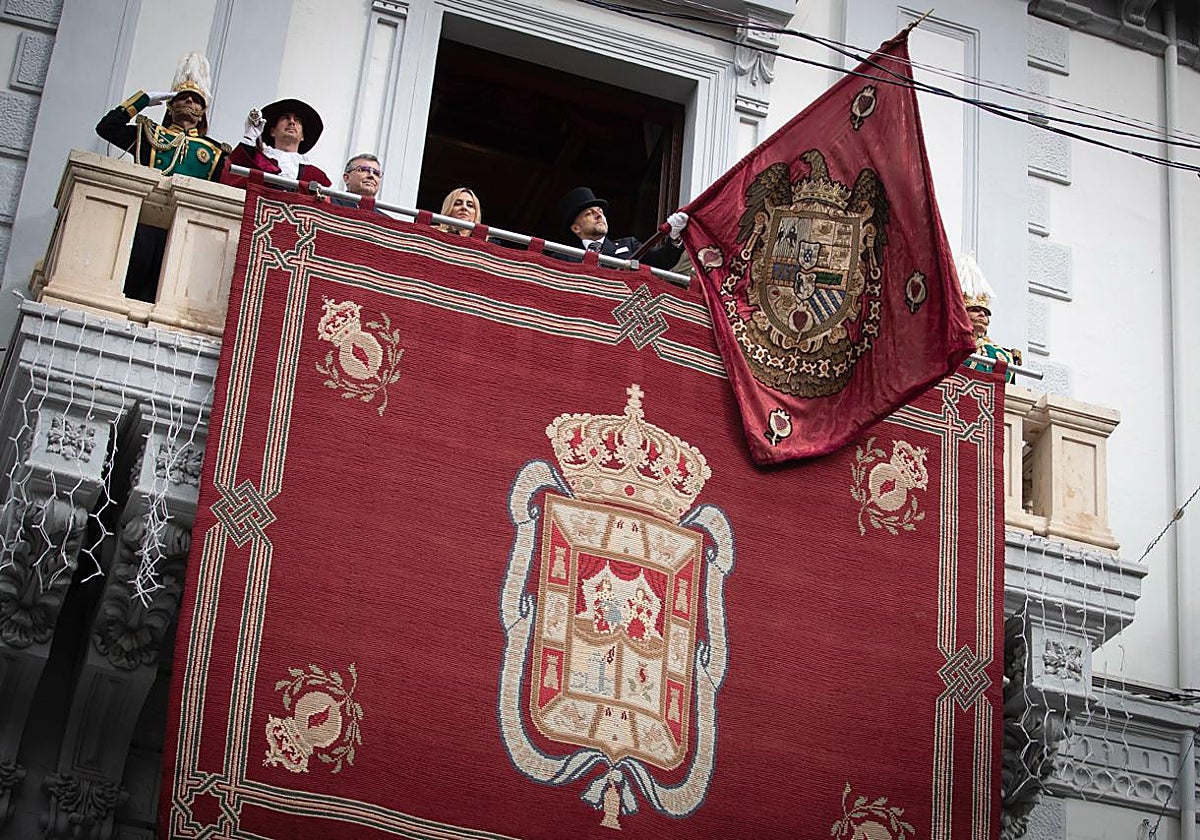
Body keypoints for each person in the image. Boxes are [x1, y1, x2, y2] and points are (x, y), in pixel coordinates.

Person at [95, 52, 228, 181]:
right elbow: (106, 128)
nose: (189, 100)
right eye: (182, 97)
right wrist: (143, 100)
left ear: (202, 114)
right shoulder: (148, 136)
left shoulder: (216, 151)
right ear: (170, 108)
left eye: (196, 100)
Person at [554, 186, 687, 271]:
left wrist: (674, 236)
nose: (599, 215)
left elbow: (662, 262)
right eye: (589, 213)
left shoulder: (630, 245)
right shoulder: (563, 257)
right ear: (576, 228)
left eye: (600, 211)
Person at [229, 98, 331, 187]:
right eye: (286, 118)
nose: (292, 122)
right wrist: (249, 138)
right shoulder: (257, 161)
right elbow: (231, 177)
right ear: (272, 131)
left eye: (297, 120)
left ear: (303, 136)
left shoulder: (316, 176)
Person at [958, 252, 1019, 384]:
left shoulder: (1001, 355)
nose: (982, 314)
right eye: (975, 310)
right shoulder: (951, 345)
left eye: (985, 312)